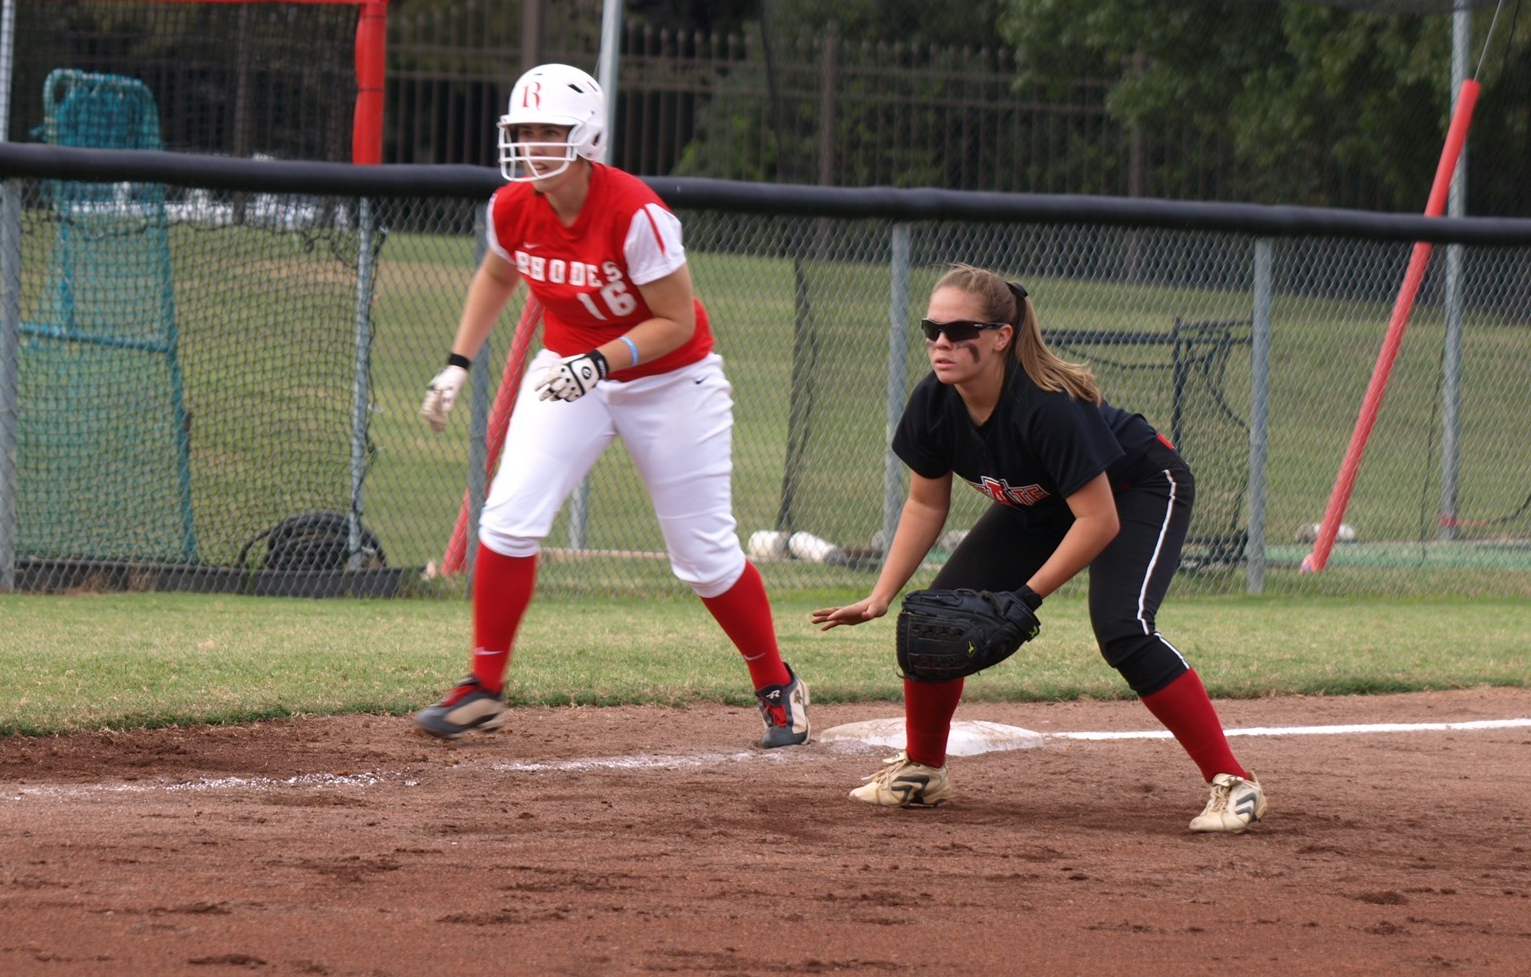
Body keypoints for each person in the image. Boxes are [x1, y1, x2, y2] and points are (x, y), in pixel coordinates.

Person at [414, 62, 810, 749]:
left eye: (550, 131)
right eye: (524, 131)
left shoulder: (636, 212)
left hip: (671, 382)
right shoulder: (512, 205)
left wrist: (597, 362)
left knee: (705, 557)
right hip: (569, 369)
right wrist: (457, 362)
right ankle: (483, 687)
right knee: (507, 521)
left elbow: (676, 322)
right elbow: (499, 272)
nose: (534, 145)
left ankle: (777, 682)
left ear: (588, 135)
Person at [811, 263, 1265, 833]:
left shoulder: (1048, 406)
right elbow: (926, 504)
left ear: (1001, 336)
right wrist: (881, 595)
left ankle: (1232, 781)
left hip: (1139, 487)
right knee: (937, 617)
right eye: (932, 330)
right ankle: (924, 770)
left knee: (1123, 629)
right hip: (1046, 501)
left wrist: (1026, 597)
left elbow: (1098, 521)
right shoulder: (934, 402)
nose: (941, 343)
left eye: (960, 331)